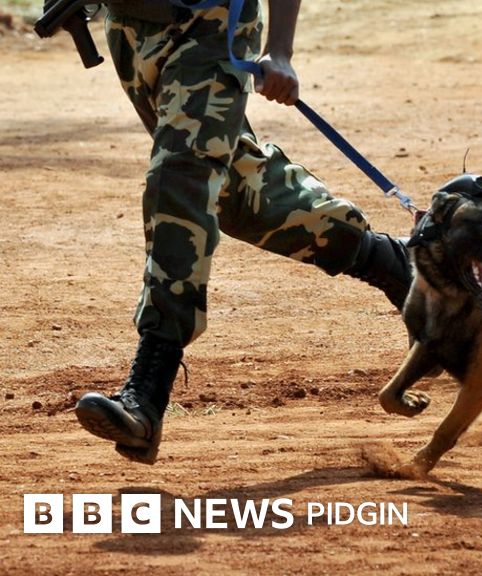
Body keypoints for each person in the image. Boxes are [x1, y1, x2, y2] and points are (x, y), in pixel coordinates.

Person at [74, 0, 411, 464]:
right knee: (235, 196)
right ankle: (391, 263)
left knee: (180, 181)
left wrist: (280, 50)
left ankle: (147, 393)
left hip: (210, 26)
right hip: (131, 30)